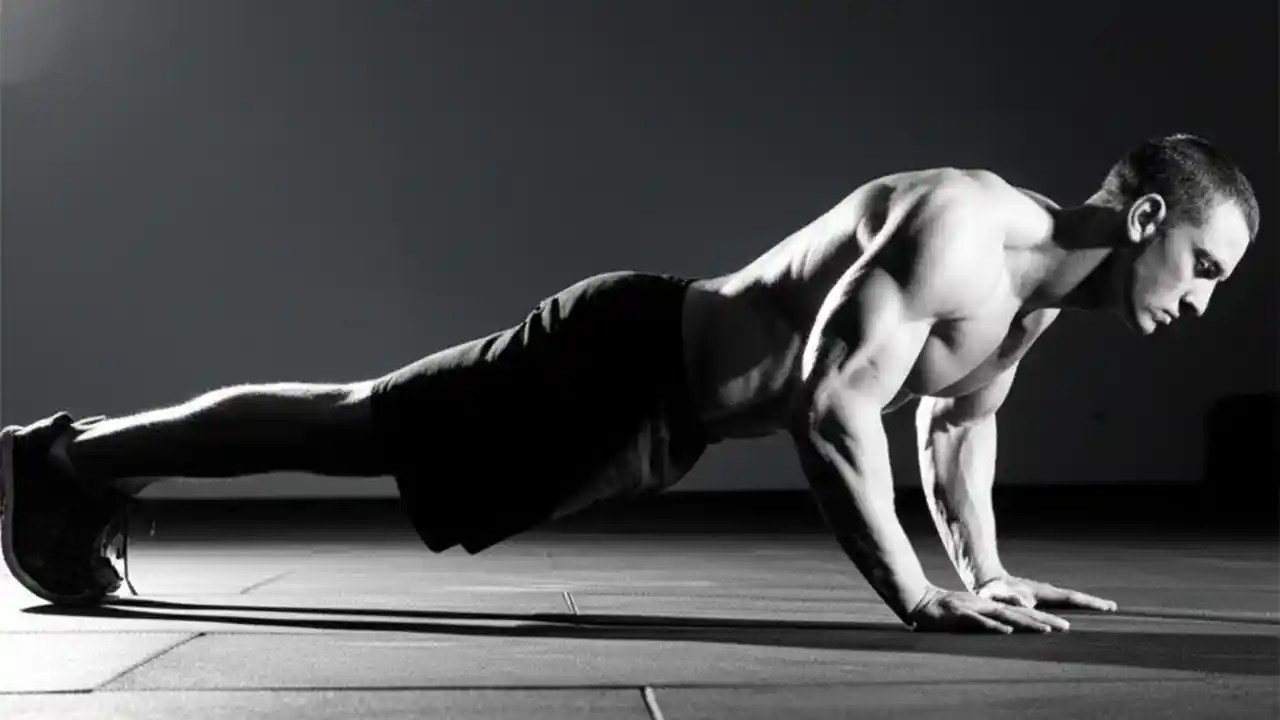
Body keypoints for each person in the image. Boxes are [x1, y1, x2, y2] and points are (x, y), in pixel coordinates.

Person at [1, 133, 1258, 634]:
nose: (1198, 302)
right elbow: (832, 407)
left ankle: (88, 459)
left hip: (664, 421)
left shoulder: (1035, 299)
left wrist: (983, 571)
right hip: (619, 353)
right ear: (1143, 214)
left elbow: (954, 424)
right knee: (358, 426)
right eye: (1200, 266)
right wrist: (915, 596)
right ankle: (68, 452)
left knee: (366, 445)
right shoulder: (959, 227)